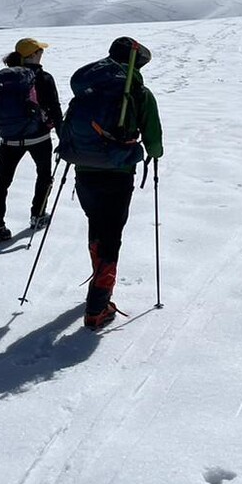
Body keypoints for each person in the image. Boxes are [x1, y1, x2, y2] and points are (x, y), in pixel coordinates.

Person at [57, 36, 164, 330]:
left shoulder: (88, 89)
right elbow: (154, 142)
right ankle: (97, 307)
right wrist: (154, 153)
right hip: (118, 172)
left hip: (84, 169)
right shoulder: (138, 93)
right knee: (112, 234)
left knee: (97, 225)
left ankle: (98, 282)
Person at [0, 38, 63, 243]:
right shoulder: (44, 78)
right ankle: (38, 215)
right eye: (40, 51)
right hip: (39, 137)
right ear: (33, 55)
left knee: (3, 181)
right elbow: (55, 109)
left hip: (10, 138)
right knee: (44, 176)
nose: (42, 54)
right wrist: (63, 136)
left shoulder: (7, 77)